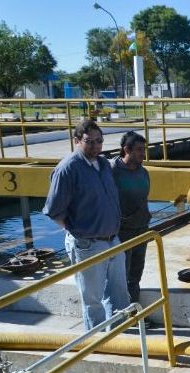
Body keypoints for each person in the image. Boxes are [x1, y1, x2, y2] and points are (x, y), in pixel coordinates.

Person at [43, 119, 130, 330]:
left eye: (99, 141)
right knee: (93, 300)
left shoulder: (103, 164)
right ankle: (97, 340)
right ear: (76, 141)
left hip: (112, 240)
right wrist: (75, 231)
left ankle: (120, 336)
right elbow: (54, 210)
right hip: (88, 244)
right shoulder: (68, 169)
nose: (95, 146)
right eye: (89, 141)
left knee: (119, 294)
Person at [110, 131, 150, 304]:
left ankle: (134, 311)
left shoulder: (143, 172)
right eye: (139, 149)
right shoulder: (112, 171)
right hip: (122, 233)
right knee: (121, 276)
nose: (143, 153)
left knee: (135, 275)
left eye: (144, 149)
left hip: (141, 230)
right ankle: (121, 312)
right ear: (127, 149)